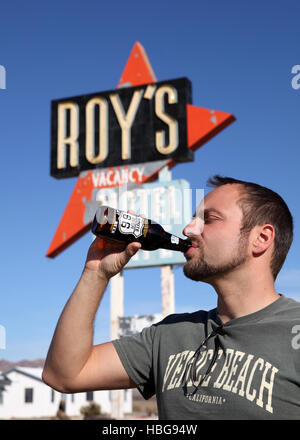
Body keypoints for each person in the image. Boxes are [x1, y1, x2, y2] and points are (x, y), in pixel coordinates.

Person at [42, 175, 300, 420]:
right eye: (192, 219)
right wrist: (96, 273)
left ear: (261, 238)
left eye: (208, 219)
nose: (189, 229)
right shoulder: (169, 334)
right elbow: (63, 375)